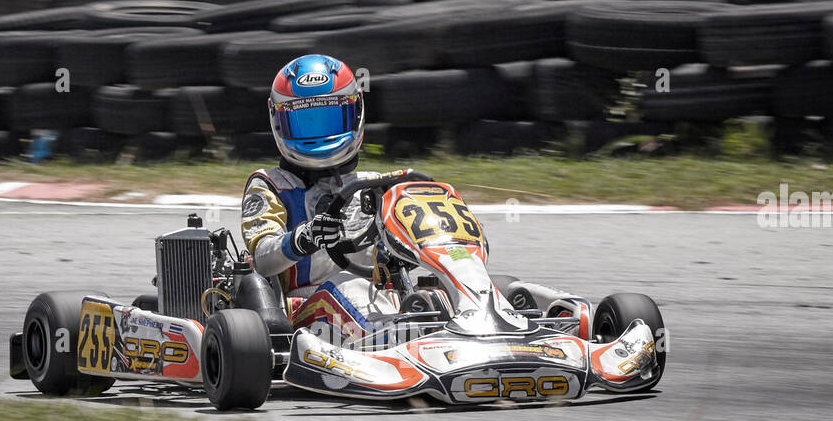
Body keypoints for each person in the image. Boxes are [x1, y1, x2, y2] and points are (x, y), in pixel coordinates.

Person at [239, 53, 583, 346]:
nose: (318, 133)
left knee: (463, 290)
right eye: (305, 120)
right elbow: (263, 261)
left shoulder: (373, 184)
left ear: (354, 113)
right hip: (305, 307)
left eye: (328, 118)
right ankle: (414, 341)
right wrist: (303, 238)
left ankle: (558, 319)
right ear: (279, 121)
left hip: (383, 296)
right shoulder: (270, 184)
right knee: (357, 289)